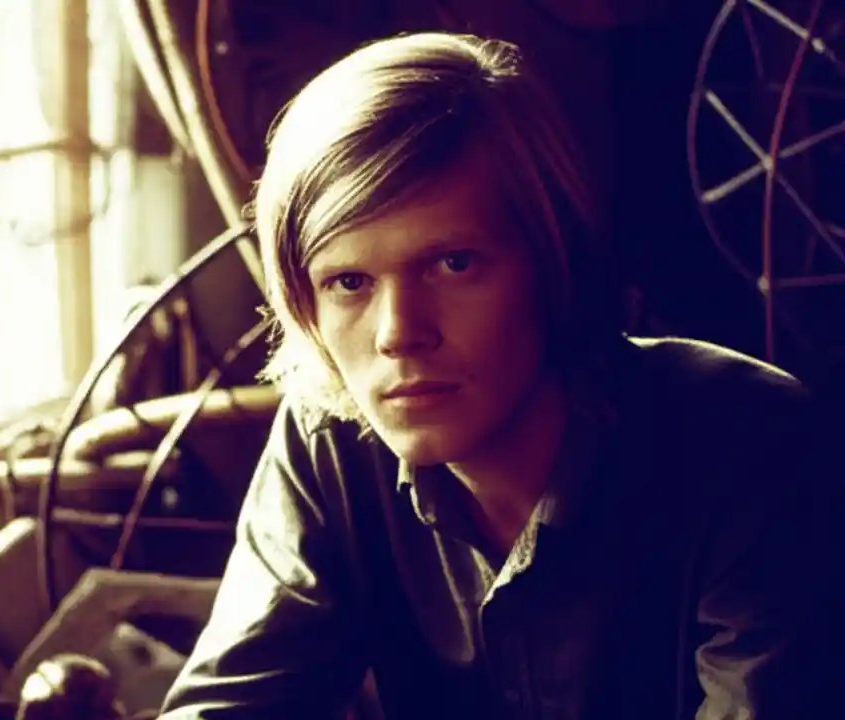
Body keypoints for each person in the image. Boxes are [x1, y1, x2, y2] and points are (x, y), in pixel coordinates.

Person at [159, 32, 842, 719]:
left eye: (453, 263)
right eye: (349, 281)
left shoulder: (750, 445)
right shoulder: (328, 439)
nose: (398, 332)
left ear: (554, 260)